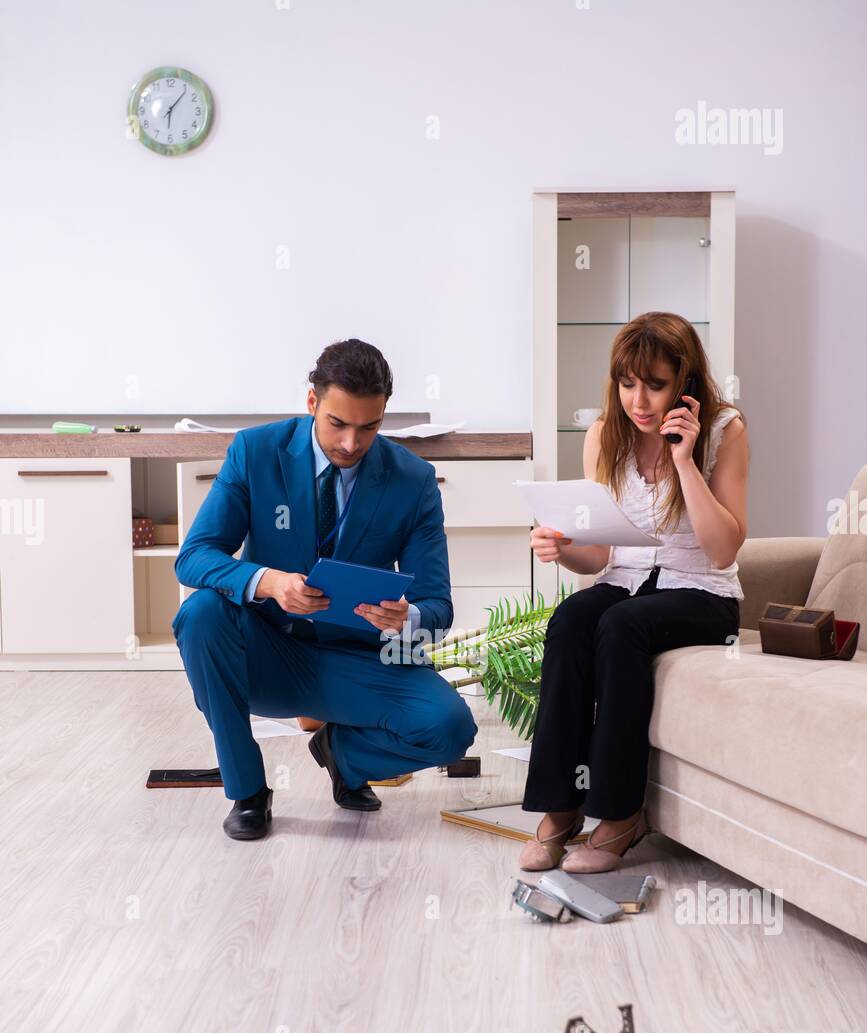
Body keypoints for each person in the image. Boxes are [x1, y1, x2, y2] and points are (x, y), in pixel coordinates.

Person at [172, 338, 477, 840]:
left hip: (358, 660)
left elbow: (437, 605)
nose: (352, 444)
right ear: (312, 402)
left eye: (369, 427)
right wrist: (267, 582)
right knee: (202, 612)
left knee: (450, 728)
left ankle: (344, 757)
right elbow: (195, 556)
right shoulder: (255, 452)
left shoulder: (413, 479)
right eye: (338, 423)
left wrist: (409, 618)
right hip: (266, 653)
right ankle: (247, 790)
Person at [520, 311, 749, 873]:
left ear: (685, 384)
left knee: (621, 625)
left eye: (655, 384)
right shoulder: (605, 434)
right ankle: (560, 806)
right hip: (626, 583)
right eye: (627, 384)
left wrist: (683, 460)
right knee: (573, 617)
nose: (639, 400)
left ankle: (621, 815)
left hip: (702, 595)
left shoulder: (726, 432)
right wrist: (560, 547)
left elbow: (723, 550)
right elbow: (598, 555)